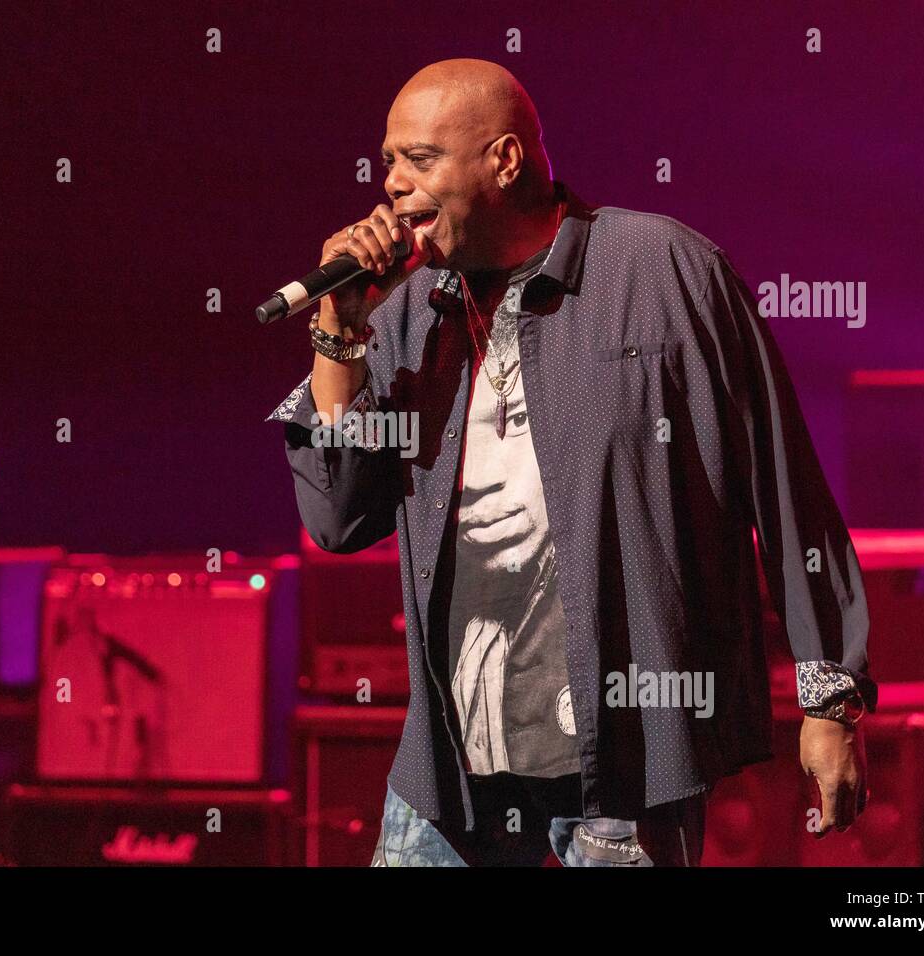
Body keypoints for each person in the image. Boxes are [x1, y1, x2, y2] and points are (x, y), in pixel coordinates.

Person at [267, 58, 874, 866]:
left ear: (504, 160)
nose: (392, 187)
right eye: (387, 163)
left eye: (418, 160)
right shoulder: (409, 311)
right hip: (452, 775)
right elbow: (336, 517)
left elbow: (785, 483)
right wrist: (340, 333)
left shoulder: (662, 269)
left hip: (625, 763)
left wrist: (829, 698)